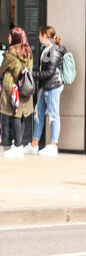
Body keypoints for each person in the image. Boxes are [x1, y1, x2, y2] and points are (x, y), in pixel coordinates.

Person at [29, 26, 67, 156]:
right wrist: (40, 87)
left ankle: (53, 145)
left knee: (53, 115)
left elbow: (50, 72)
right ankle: (34, 144)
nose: (38, 37)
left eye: (40, 35)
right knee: (38, 114)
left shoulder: (55, 50)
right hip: (46, 86)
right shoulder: (47, 49)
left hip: (54, 86)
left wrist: (32, 75)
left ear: (45, 36)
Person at [1, 27, 34, 158]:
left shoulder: (11, 53)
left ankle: (18, 146)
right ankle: (18, 145)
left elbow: (2, 70)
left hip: (13, 88)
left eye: (10, 36)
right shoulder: (28, 52)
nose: (8, 38)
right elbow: (29, 70)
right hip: (24, 88)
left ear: (14, 38)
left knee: (15, 116)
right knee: (21, 116)